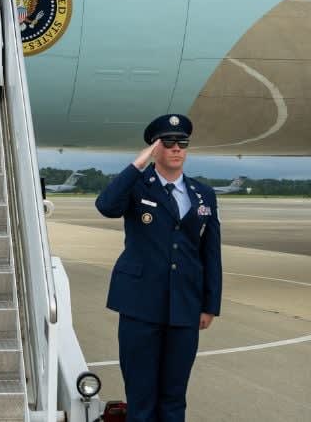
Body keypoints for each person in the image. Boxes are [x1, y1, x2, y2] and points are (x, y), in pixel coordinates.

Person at [95, 114, 222, 422]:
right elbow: (106, 205)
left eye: (182, 143)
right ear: (155, 148)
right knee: (141, 397)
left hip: (185, 307)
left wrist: (209, 305)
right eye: (168, 143)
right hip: (140, 306)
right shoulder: (139, 186)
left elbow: (210, 252)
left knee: (174, 396)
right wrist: (138, 164)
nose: (176, 148)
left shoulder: (203, 193)